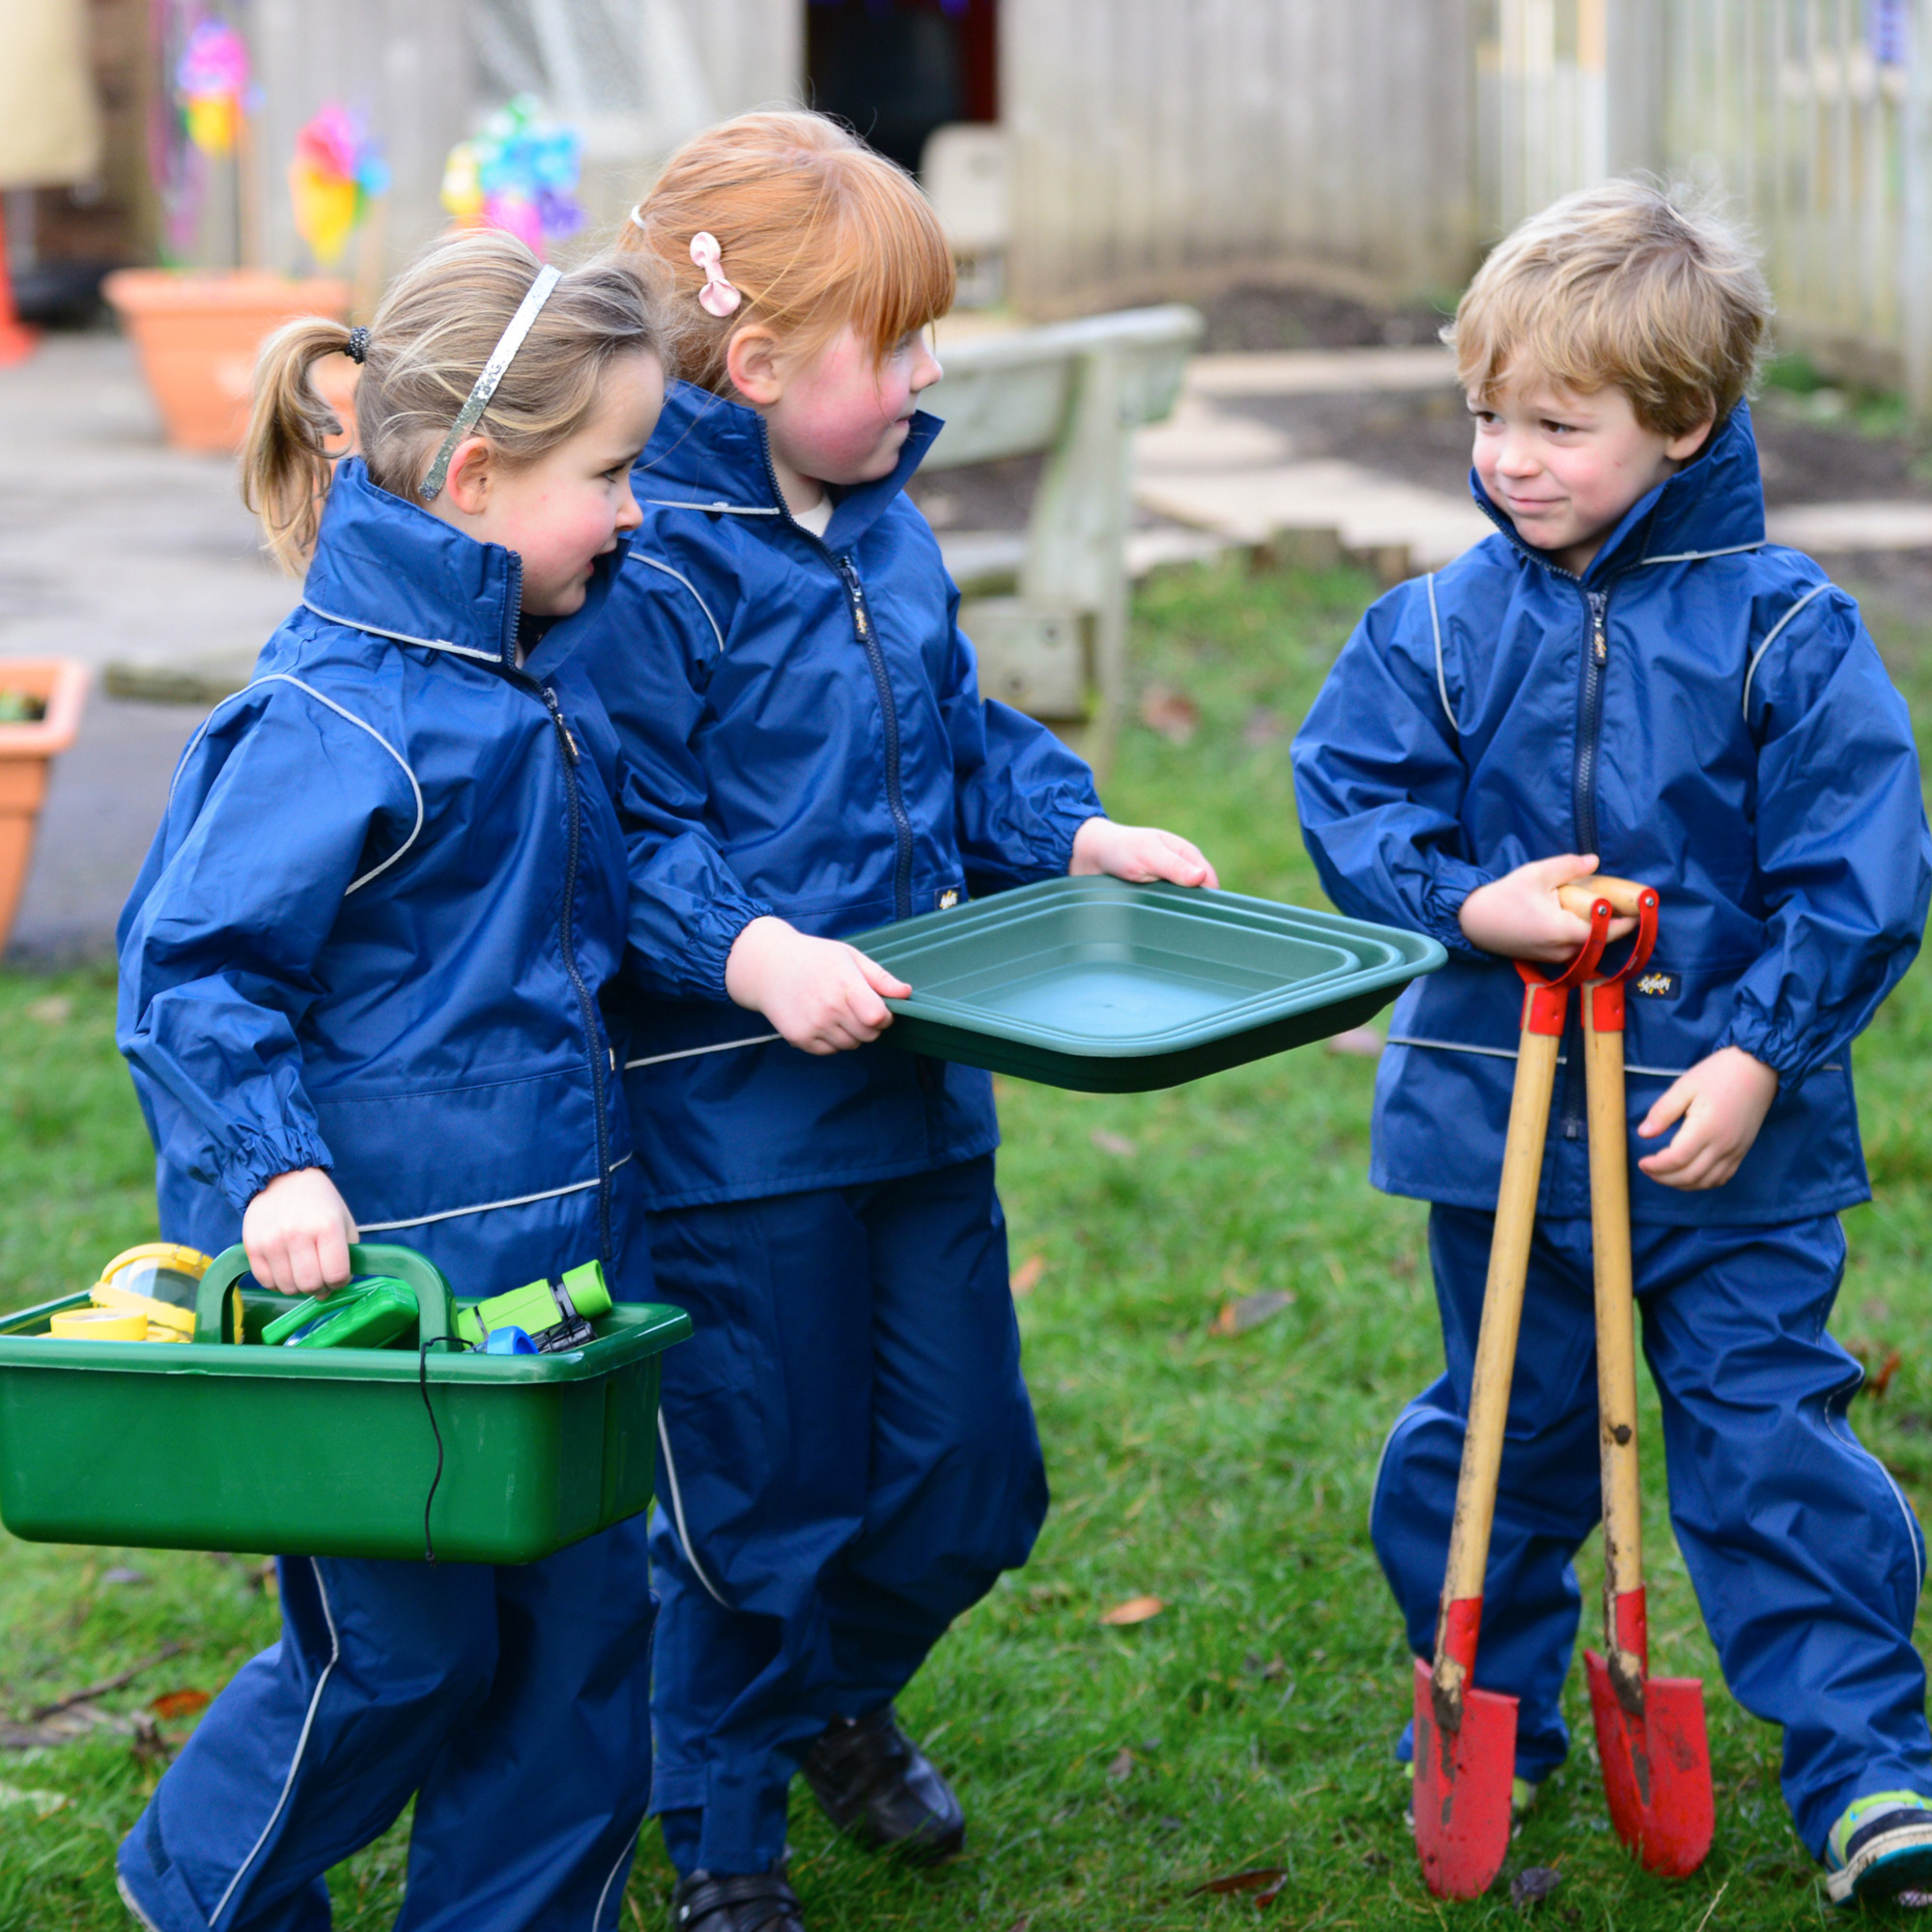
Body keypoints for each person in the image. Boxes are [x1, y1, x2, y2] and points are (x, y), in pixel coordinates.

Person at [589, 109, 1217, 1932]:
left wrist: (1072, 825)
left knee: (966, 1479)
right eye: (903, 345)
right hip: (732, 1122)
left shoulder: (885, 521)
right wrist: (755, 948)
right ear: (762, 362)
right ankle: (723, 1836)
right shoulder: (652, 562)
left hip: (925, 1082)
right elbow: (625, 828)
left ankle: (815, 1699)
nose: (933, 373)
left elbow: (959, 736)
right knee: (761, 1495)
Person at [1292, 179, 1932, 1905]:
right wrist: (1465, 905)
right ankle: (1487, 1705)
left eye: (1558, 426)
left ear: (1683, 424)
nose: (1511, 456)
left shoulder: (1785, 632)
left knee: (1764, 1433)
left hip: (1720, 1133)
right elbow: (1346, 793)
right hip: (1505, 1128)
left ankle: (1868, 1764)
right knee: (1500, 1432)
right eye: (1488, 415)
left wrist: (1758, 1057)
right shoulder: (1436, 628)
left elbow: (1860, 873)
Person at [115, 228, 669, 1932]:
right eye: (615, 472)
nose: (640, 512)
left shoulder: (536, 669)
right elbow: (195, 972)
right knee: (399, 1661)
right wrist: (275, 1171)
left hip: (564, 1282)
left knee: (582, 1659)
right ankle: (202, 1888)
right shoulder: (332, 723)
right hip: (379, 1303)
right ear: (483, 475)